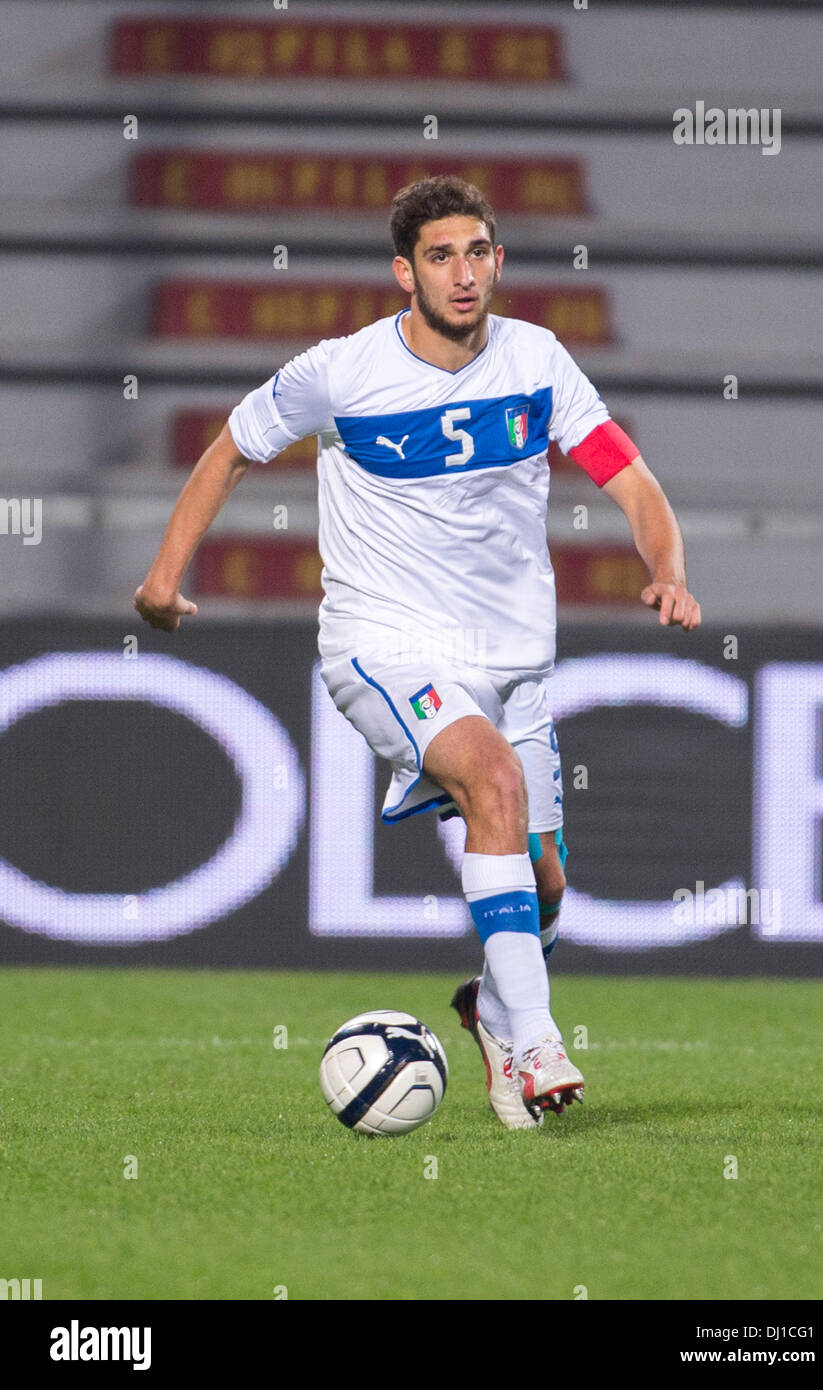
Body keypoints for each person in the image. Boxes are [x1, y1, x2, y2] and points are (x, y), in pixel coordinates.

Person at [135, 175, 701, 1131]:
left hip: (513, 660)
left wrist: (667, 568)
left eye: (477, 251)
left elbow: (629, 478)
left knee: (549, 882)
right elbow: (231, 446)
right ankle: (535, 1040)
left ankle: (488, 1007)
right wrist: (162, 575)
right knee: (491, 783)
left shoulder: (537, 358)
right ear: (404, 272)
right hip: (382, 643)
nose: (463, 272)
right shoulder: (341, 371)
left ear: (498, 260)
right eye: (440, 255)